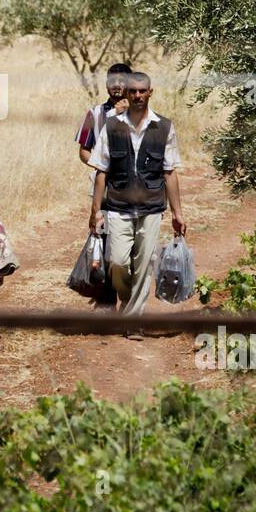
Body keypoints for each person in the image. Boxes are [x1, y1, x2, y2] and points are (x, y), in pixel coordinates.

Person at [87, 72, 187, 340]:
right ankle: (130, 298)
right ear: (126, 94)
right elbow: (101, 171)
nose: (138, 96)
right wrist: (96, 211)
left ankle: (134, 322)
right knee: (117, 261)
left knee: (143, 265)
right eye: (133, 92)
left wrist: (178, 213)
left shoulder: (164, 127)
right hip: (118, 207)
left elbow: (170, 173)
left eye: (143, 91)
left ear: (150, 92)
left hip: (151, 209)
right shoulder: (111, 126)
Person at [76, 63, 132, 192]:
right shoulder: (94, 113)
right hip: (104, 184)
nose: (116, 85)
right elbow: (84, 151)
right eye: (112, 80)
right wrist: (101, 167)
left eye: (122, 81)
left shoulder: (141, 113)